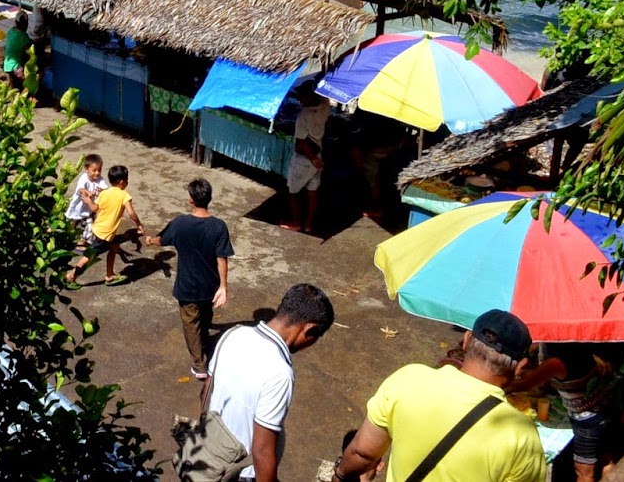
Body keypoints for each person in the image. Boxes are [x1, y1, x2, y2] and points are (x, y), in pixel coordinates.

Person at [334, 309, 545, 482]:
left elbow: (363, 454)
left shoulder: (409, 378)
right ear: (521, 367)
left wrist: (340, 475)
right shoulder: (521, 436)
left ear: (467, 340)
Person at [207, 283, 334, 482]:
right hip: (241, 473)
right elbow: (261, 451)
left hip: (209, 456)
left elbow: (206, 391)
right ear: (309, 330)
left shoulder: (233, 334)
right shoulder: (280, 373)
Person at [144, 178, 233, 380]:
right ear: (209, 198)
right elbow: (222, 258)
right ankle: (204, 349)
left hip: (188, 286)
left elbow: (161, 240)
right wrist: (223, 287)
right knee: (204, 317)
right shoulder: (219, 226)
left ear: (191, 199)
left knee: (191, 324)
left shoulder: (180, 223)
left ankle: (199, 365)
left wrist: (149, 240)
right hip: (209, 285)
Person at [510, 344, 618, 482]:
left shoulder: (556, 361)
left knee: (584, 472)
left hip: (587, 419)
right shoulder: (576, 344)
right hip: (603, 407)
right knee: (606, 460)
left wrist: (503, 385)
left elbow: (527, 384)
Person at [65, 164, 145, 287]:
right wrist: (139, 224)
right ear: (123, 182)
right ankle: (72, 275)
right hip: (104, 234)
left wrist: (89, 201)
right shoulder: (124, 195)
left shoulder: (104, 193)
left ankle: (109, 274)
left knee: (113, 247)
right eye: (127, 180)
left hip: (98, 229)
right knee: (89, 256)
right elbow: (131, 213)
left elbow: (95, 208)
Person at [283, 91, 330, 233]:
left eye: (303, 95)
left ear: (310, 96)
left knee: (293, 192)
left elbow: (301, 144)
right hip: (318, 157)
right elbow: (325, 97)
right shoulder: (324, 108)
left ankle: (296, 223)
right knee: (312, 192)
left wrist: (312, 158)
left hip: (304, 160)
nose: (300, 98)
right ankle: (308, 224)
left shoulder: (303, 116)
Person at [64, 153, 109, 245]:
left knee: (90, 225)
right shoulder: (84, 178)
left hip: (88, 210)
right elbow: (81, 189)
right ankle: (62, 236)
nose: (97, 173)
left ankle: (83, 242)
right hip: (77, 208)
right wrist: (88, 192)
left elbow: (105, 188)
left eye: (99, 170)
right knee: (70, 225)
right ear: (87, 169)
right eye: (94, 170)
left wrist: (104, 191)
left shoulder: (100, 179)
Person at [3, 10, 32, 88]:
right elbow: (30, 51)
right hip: (15, 67)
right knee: (28, 83)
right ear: (26, 24)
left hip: (6, 65)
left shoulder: (10, 31)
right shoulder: (23, 36)